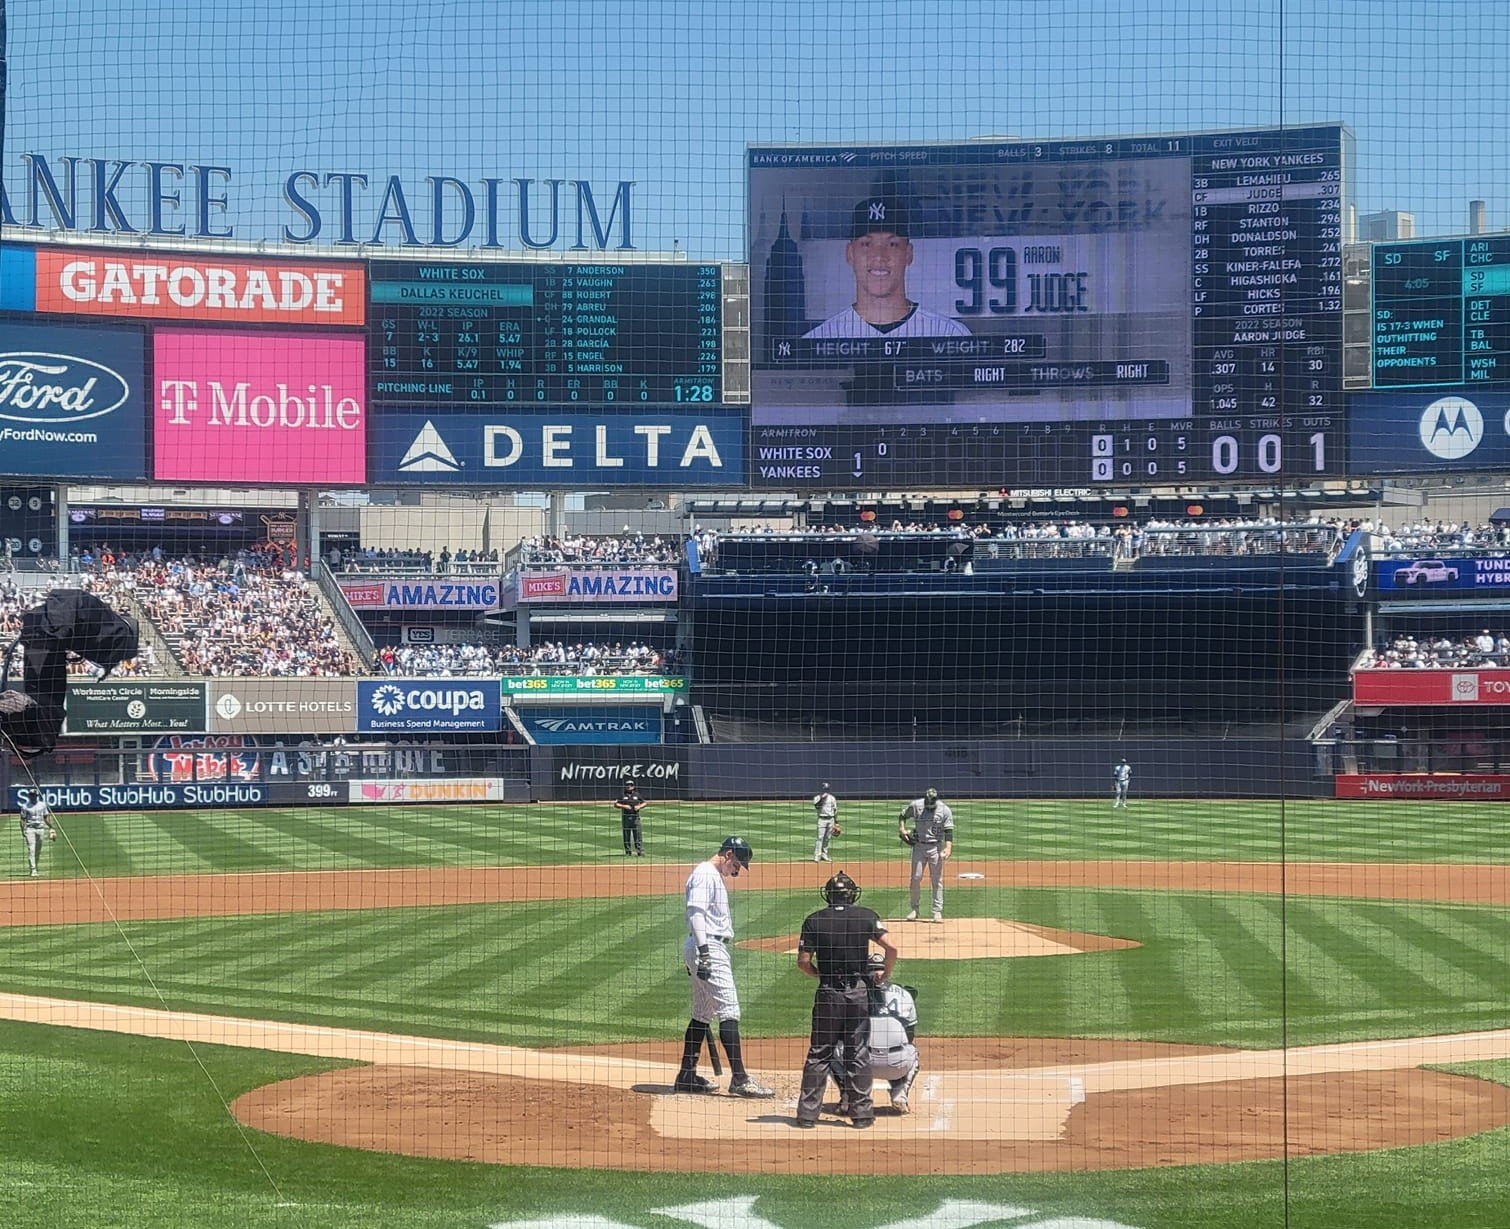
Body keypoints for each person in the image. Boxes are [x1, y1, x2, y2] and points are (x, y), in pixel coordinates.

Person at [673, 836, 775, 1099]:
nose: (738, 870)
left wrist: (696, 952)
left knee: (702, 1012)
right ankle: (740, 1078)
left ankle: (686, 1075)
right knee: (729, 1009)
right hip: (708, 946)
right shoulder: (706, 874)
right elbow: (696, 912)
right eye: (737, 863)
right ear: (728, 854)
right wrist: (704, 952)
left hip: (701, 944)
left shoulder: (712, 875)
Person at [794, 872, 897, 1128]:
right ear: (852, 894)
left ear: (828, 895)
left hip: (829, 992)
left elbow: (803, 963)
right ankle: (862, 1115)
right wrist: (885, 973)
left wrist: (821, 975)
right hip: (858, 992)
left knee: (820, 1053)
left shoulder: (813, 921)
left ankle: (807, 1116)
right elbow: (892, 948)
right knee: (857, 1052)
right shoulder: (866, 916)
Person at [803, 197, 971, 340]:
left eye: (892, 244)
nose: (879, 256)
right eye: (866, 244)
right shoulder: (819, 339)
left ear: (908, 254)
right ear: (850, 254)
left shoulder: (949, 334)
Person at [830, 953, 921, 1115]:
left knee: (830, 1049)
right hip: (896, 1066)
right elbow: (909, 1035)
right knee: (912, 1051)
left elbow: (840, 1031)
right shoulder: (904, 994)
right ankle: (900, 1094)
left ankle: (848, 1097)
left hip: (860, 1064)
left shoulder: (851, 993)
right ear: (887, 971)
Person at [898, 787, 954, 922]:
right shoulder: (916, 806)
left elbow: (949, 831)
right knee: (916, 878)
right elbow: (902, 815)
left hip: (935, 847)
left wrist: (948, 848)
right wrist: (902, 829)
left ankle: (937, 912)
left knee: (937, 880)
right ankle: (914, 910)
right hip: (919, 846)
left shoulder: (944, 810)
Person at [18, 793, 55, 878]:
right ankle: (33, 870)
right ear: (29, 796)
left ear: (36, 796)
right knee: (31, 849)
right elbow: (22, 819)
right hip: (30, 829)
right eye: (31, 795)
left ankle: (35, 867)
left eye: (34, 795)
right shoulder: (25, 806)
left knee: (38, 850)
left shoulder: (42, 805)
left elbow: (46, 817)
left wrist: (52, 827)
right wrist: (22, 830)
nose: (33, 796)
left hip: (40, 829)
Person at [614, 779, 646, 856]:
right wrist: (624, 806)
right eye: (627, 785)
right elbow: (616, 804)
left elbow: (644, 802)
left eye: (630, 785)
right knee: (626, 835)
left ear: (633, 786)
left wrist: (639, 806)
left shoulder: (637, 794)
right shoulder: (623, 795)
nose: (629, 786)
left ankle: (640, 851)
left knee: (637, 835)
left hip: (635, 817)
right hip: (626, 817)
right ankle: (628, 852)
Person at [812, 781, 838, 862]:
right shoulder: (816, 797)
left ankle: (824, 854)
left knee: (827, 838)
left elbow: (835, 810)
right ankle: (817, 855)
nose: (825, 791)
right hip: (821, 819)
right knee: (819, 838)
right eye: (824, 789)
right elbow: (817, 806)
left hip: (831, 819)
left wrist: (836, 822)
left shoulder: (832, 798)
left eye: (826, 789)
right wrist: (822, 799)